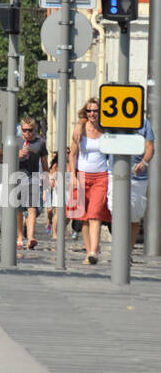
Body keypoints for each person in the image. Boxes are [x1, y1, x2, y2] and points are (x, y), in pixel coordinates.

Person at [67, 97, 110, 265]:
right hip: (82, 175)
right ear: (85, 113)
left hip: (101, 176)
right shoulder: (81, 129)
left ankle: (94, 250)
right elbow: (72, 154)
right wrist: (73, 176)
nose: (93, 113)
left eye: (96, 110)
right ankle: (89, 251)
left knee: (95, 215)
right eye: (89, 111)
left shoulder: (106, 128)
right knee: (83, 217)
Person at [105, 116, 155, 256]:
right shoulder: (111, 119)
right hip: (115, 173)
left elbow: (150, 148)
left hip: (137, 177)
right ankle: (120, 250)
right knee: (115, 210)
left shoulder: (144, 123)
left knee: (134, 216)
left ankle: (128, 252)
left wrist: (144, 163)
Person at [16, 117, 48, 250]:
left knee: (32, 208)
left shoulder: (40, 143)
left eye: (30, 130)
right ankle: (19, 236)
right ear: (21, 129)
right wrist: (17, 155)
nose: (27, 133)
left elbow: (45, 163)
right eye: (25, 130)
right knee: (18, 209)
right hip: (16, 177)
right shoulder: (15, 142)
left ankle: (30, 237)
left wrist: (47, 183)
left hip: (33, 178)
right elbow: (5, 161)